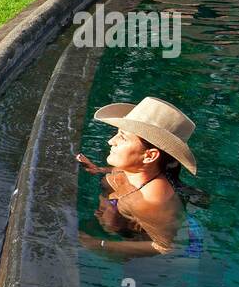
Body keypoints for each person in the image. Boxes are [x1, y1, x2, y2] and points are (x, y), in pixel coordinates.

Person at [75, 96, 204, 259]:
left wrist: (99, 245)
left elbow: (167, 248)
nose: (110, 141)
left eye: (122, 137)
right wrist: (99, 169)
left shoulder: (150, 201)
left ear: (149, 156)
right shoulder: (134, 170)